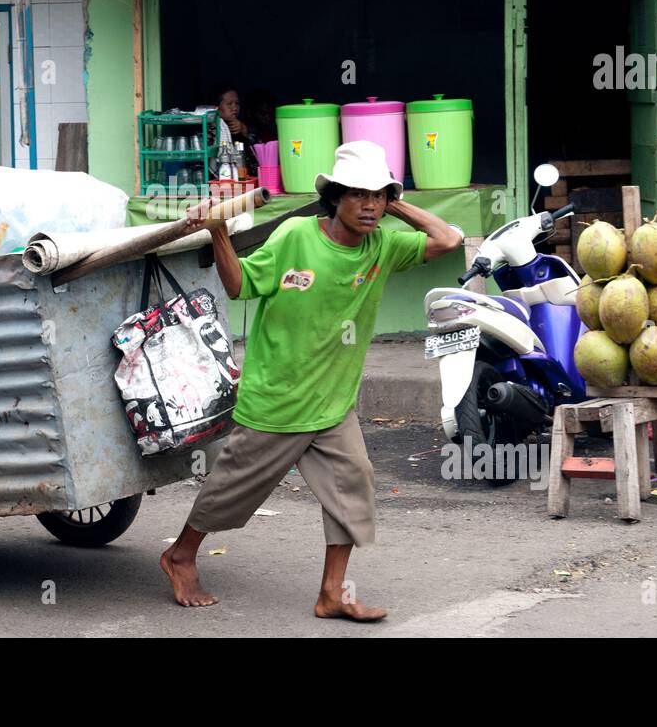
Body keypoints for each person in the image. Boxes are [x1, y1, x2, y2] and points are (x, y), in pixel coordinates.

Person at [162, 140, 464, 621]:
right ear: (334, 197)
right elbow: (239, 285)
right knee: (232, 489)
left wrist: (394, 198)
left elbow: (448, 239)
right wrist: (218, 231)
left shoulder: (383, 244)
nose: (370, 206)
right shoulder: (295, 236)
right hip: (277, 396)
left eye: (378, 197)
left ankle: (331, 594)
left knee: (352, 484)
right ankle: (180, 554)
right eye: (358, 195)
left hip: (333, 401)